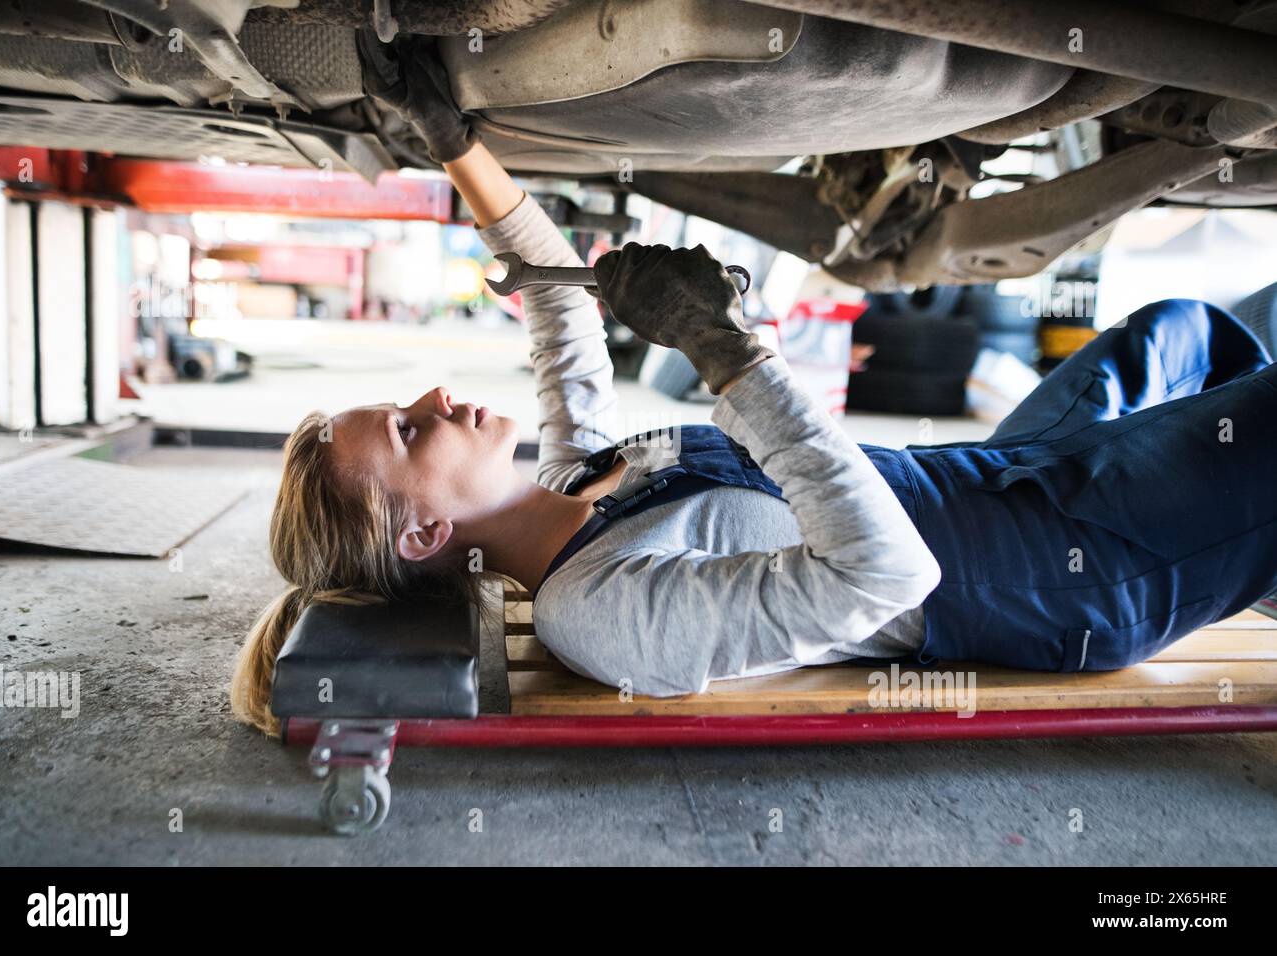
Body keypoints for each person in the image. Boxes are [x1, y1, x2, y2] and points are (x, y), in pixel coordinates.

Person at [230, 38, 1277, 736]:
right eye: (413, 430)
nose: (439, 396)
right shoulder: (596, 613)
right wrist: (734, 359)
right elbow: (886, 577)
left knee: (1176, 330)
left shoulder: (572, 475)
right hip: (1053, 572)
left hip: (995, 470)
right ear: (421, 535)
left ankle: (1244, 534)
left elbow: (556, 312)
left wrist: (455, 146)